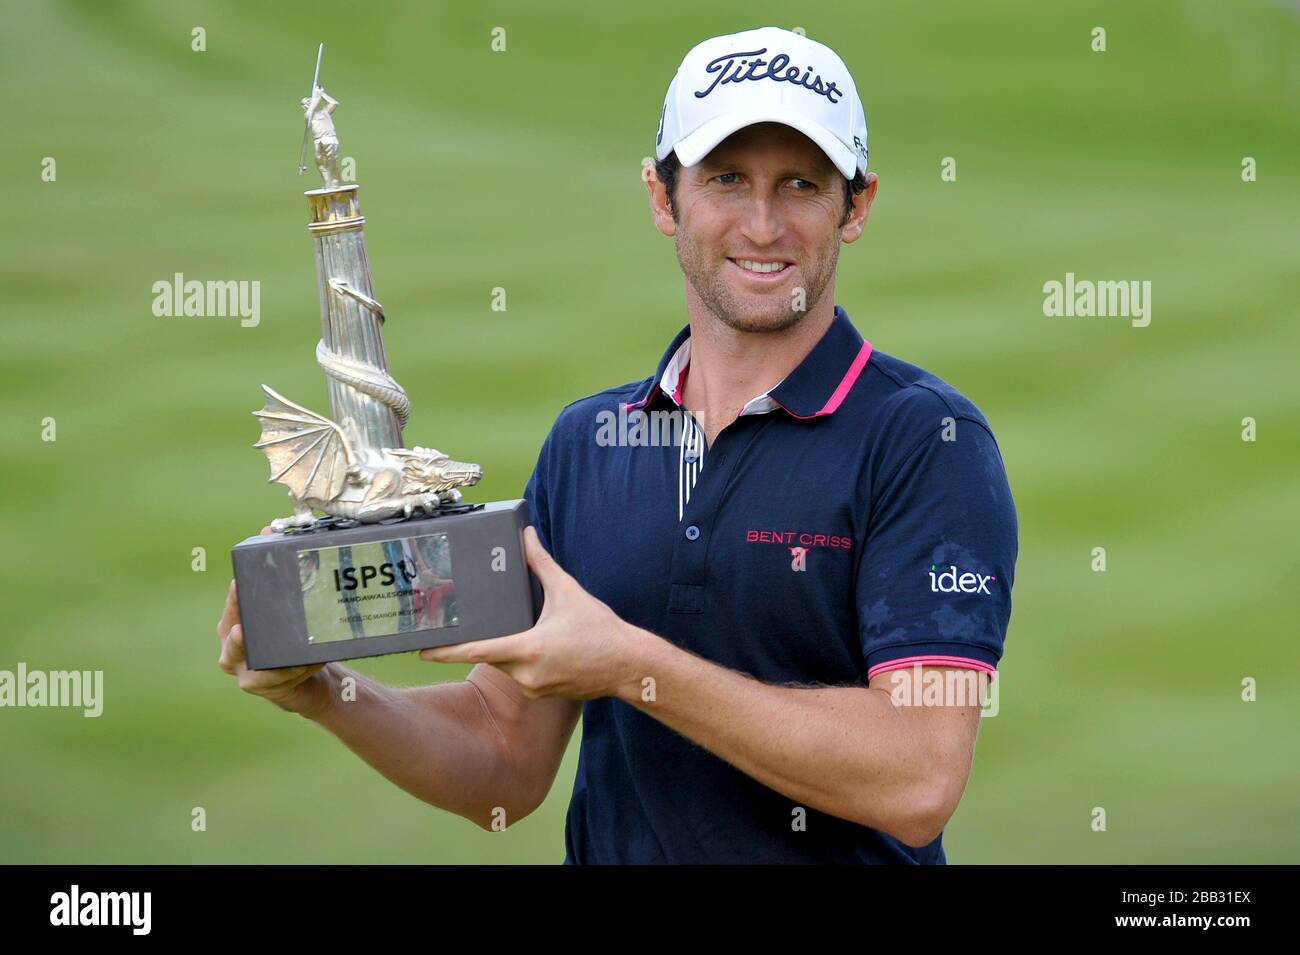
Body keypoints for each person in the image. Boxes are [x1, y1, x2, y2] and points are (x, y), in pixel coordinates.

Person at [216, 25, 1018, 863]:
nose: (763, 222)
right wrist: (325, 691)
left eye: (803, 184)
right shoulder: (588, 442)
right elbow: (505, 756)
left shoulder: (927, 440)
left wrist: (628, 663)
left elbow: (918, 776)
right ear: (662, 196)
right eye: (726, 178)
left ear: (857, 206)